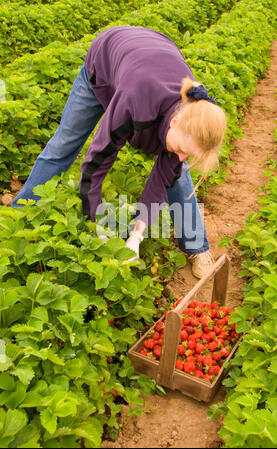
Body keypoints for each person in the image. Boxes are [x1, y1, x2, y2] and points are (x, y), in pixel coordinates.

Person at [12, 26, 226, 279]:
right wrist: (96, 227)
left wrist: (136, 234)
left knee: (176, 173)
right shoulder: (135, 104)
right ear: (175, 121)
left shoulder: (195, 110)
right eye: (181, 149)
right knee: (64, 144)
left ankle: (195, 245)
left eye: (188, 154)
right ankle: (20, 213)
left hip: (150, 55)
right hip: (105, 62)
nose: (180, 156)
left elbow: (163, 175)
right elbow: (97, 162)